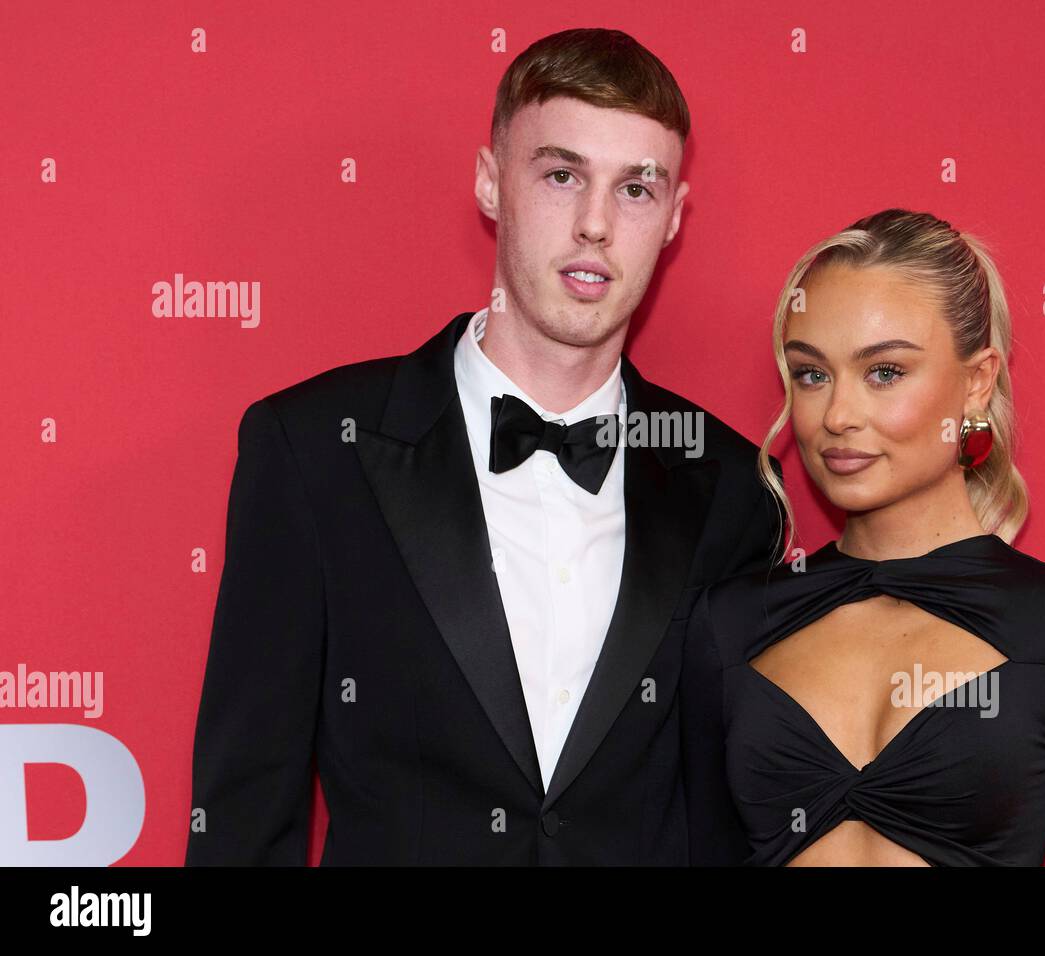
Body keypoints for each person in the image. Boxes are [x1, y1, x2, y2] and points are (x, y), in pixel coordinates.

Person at [185, 28, 782, 866]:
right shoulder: (315, 450)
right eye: (562, 174)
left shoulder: (732, 487)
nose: (596, 225)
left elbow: (724, 816)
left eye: (637, 189)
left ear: (675, 218)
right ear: (491, 182)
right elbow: (246, 810)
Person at [681, 209, 1045, 866]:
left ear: (977, 382)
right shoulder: (727, 623)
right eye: (811, 373)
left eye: (884, 372)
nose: (838, 416)